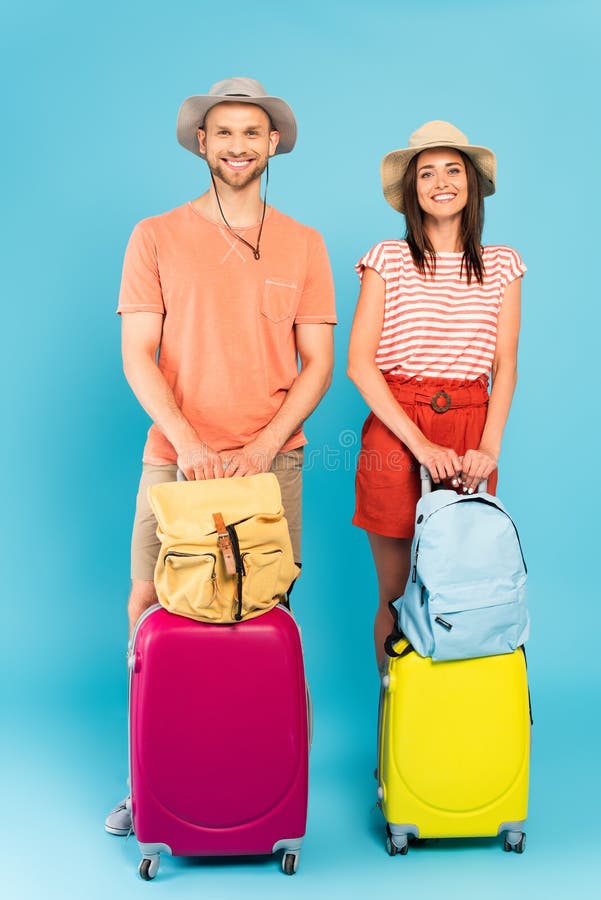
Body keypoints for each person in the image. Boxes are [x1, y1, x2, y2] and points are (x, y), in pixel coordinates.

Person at [105, 77, 336, 835]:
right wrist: (193, 444)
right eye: (223, 132)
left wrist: (262, 447)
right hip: (175, 461)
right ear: (201, 144)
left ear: (273, 145)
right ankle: (146, 781)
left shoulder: (304, 244)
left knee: (270, 614)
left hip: (271, 466)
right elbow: (139, 354)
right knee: (148, 606)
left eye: (252, 132)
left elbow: (317, 364)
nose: (237, 145)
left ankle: (279, 779)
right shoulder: (154, 236)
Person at [347, 120, 525, 670]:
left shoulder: (503, 265)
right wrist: (422, 447)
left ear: (470, 183)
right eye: (427, 173)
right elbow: (359, 365)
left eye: (452, 170)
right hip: (398, 426)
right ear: (411, 191)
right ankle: (395, 727)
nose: (440, 182)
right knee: (398, 595)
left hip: (471, 425)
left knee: (464, 592)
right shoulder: (387, 258)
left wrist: (488, 448)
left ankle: (452, 735)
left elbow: (505, 365)